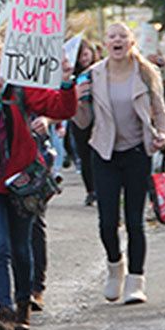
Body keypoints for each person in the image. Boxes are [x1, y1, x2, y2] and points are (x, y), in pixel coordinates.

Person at [0, 31, 77, 330]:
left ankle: (24, 303)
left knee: (22, 246)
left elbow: (62, 109)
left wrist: (65, 79)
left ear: (0, 53)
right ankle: (4, 311)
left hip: (20, 177)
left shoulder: (21, 86)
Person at [74, 23, 165, 304]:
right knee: (106, 223)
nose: (117, 40)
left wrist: (162, 134)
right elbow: (83, 121)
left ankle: (136, 281)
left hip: (137, 152)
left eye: (122, 36)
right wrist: (77, 102)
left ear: (131, 42)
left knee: (135, 221)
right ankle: (115, 267)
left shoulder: (147, 73)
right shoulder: (94, 74)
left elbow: (160, 111)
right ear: (105, 44)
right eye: (112, 36)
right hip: (104, 153)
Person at [66, 40, 100, 206]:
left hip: (100, 118)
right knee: (84, 154)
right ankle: (91, 190)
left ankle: (100, 188)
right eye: (80, 55)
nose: (84, 58)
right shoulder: (71, 75)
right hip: (79, 119)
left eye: (86, 53)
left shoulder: (100, 70)